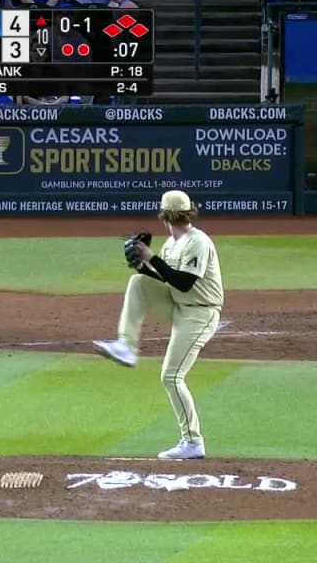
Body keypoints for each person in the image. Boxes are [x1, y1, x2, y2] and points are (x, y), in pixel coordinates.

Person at [93, 190, 224, 460]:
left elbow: (184, 282)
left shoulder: (198, 241)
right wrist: (142, 264)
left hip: (200, 314)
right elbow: (163, 279)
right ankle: (126, 346)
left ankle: (193, 442)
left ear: (164, 215)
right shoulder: (172, 244)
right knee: (138, 283)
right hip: (178, 305)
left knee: (172, 376)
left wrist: (151, 257)